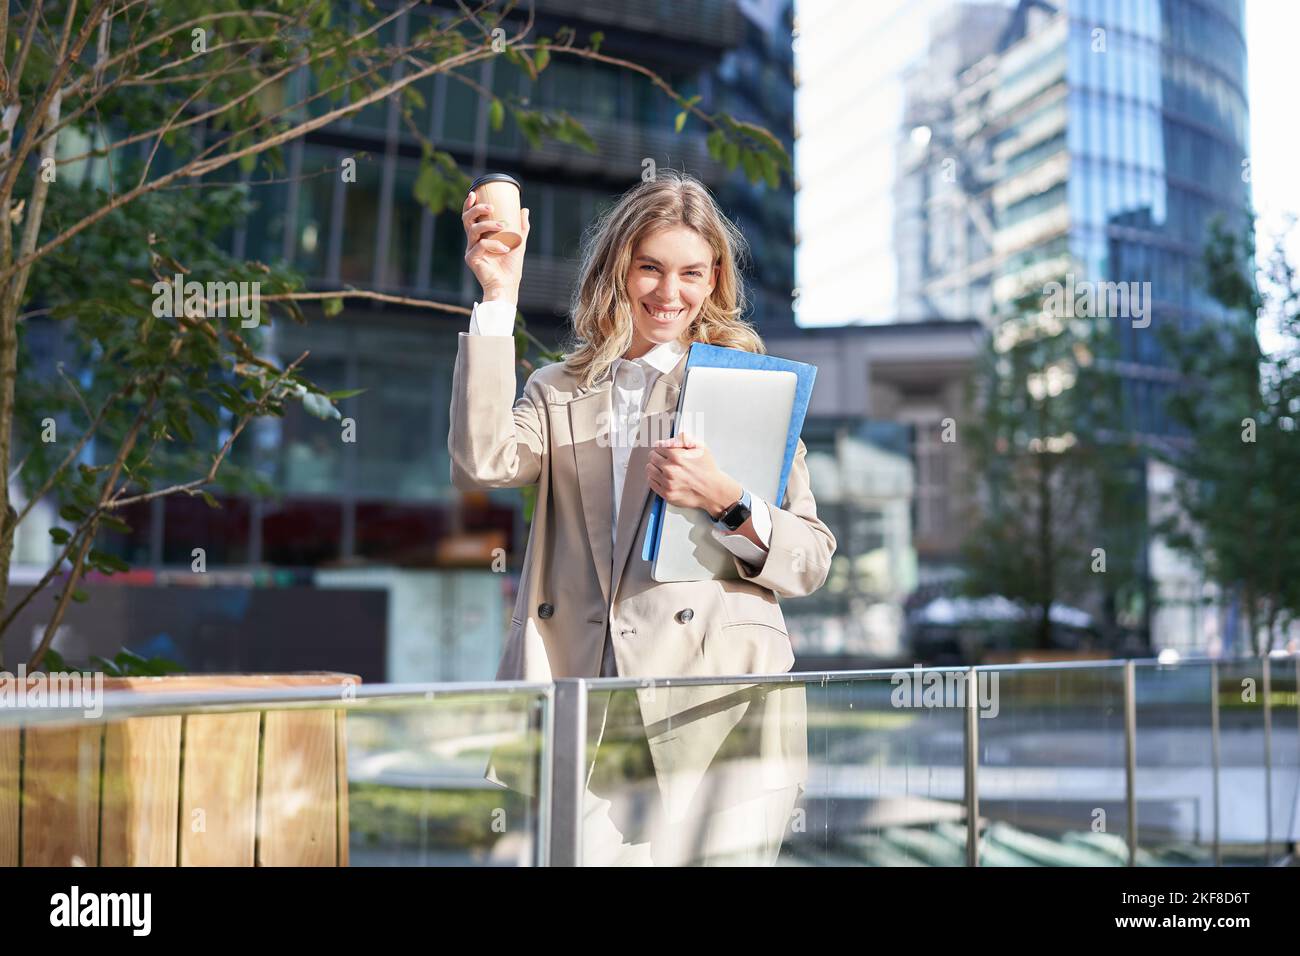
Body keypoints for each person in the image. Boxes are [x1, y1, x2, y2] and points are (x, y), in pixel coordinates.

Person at [449, 169, 836, 865]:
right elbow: (482, 463)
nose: (669, 292)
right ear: (617, 268)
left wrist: (728, 498)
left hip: (721, 709)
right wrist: (497, 295)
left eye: (691, 272)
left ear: (714, 278)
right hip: (589, 706)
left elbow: (809, 560)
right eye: (649, 267)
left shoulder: (748, 386)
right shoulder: (560, 389)